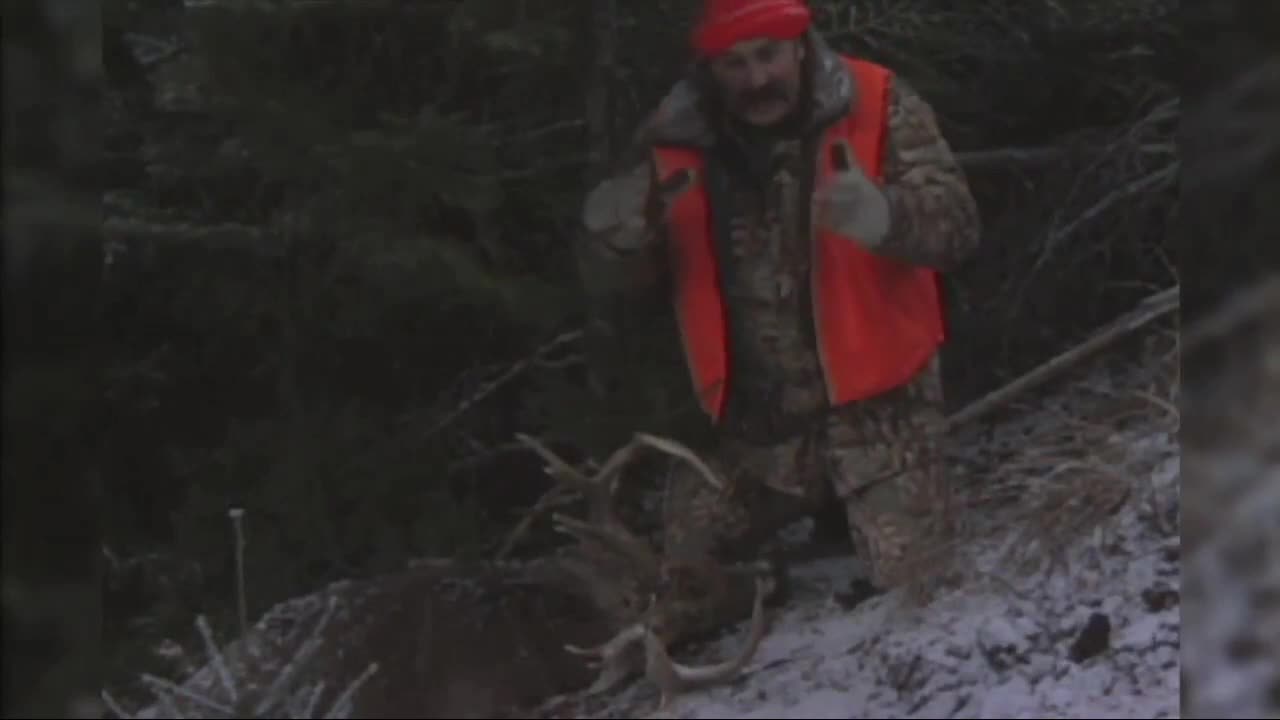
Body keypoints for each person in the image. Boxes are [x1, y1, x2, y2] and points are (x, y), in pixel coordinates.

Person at [575, 0, 982, 652]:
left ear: (799, 44)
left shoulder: (876, 100)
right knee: (676, 574)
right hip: (755, 435)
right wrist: (620, 247)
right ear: (711, 66)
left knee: (915, 588)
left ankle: (846, 520)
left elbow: (959, 224)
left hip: (876, 418)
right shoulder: (673, 139)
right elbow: (628, 283)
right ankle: (762, 585)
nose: (755, 78)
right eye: (734, 63)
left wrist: (885, 217)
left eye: (767, 54)